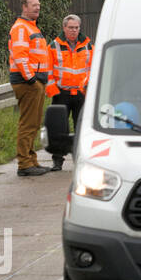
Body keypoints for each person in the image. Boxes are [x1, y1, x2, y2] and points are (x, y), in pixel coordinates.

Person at [8, 0, 51, 176]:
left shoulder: (30, 27)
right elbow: (19, 56)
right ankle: (24, 164)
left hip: (35, 82)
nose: (37, 8)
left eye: (39, 5)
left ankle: (31, 160)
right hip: (28, 83)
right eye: (33, 5)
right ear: (24, 7)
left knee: (33, 123)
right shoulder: (20, 28)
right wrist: (31, 79)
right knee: (28, 123)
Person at [45, 14, 93, 171]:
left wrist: (90, 90)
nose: (74, 30)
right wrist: (53, 90)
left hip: (82, 94)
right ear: (64, 28)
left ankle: (81, 159)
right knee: (59, 128)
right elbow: (48, 70)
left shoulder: (89, 46)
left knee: (83, 128)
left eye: (76, 28)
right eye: (71, 27)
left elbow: (93, 69)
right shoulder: (53, 46)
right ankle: (57, 160)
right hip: (62, 93)